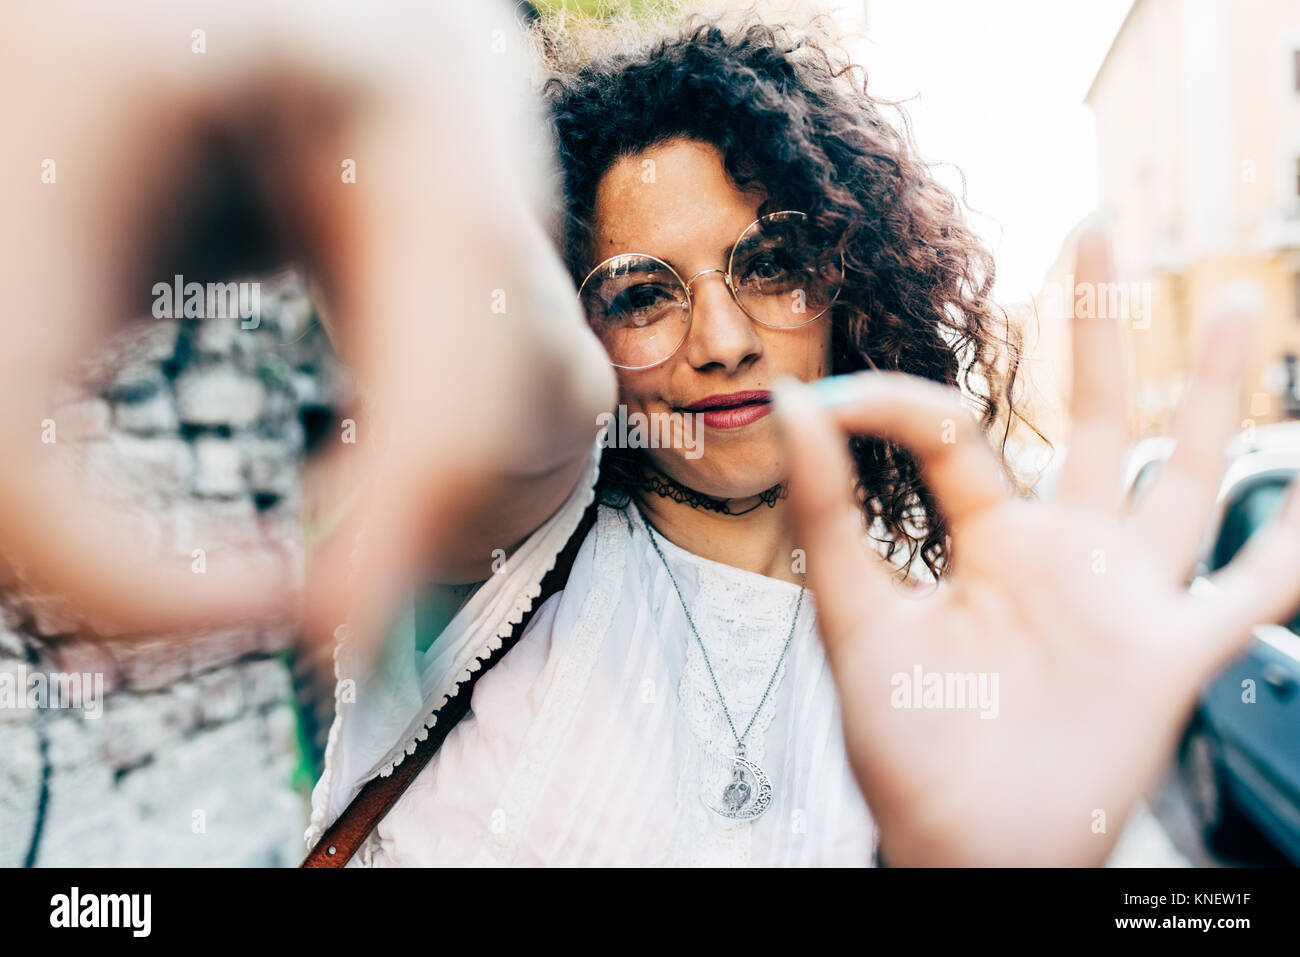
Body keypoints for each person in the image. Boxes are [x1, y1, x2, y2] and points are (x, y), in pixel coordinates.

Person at [307, 10, 1300, 867]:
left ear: (850, 288)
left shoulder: (944, 654)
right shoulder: (496, 554)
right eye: (642, 294)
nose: (724, 343)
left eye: (772, 265)